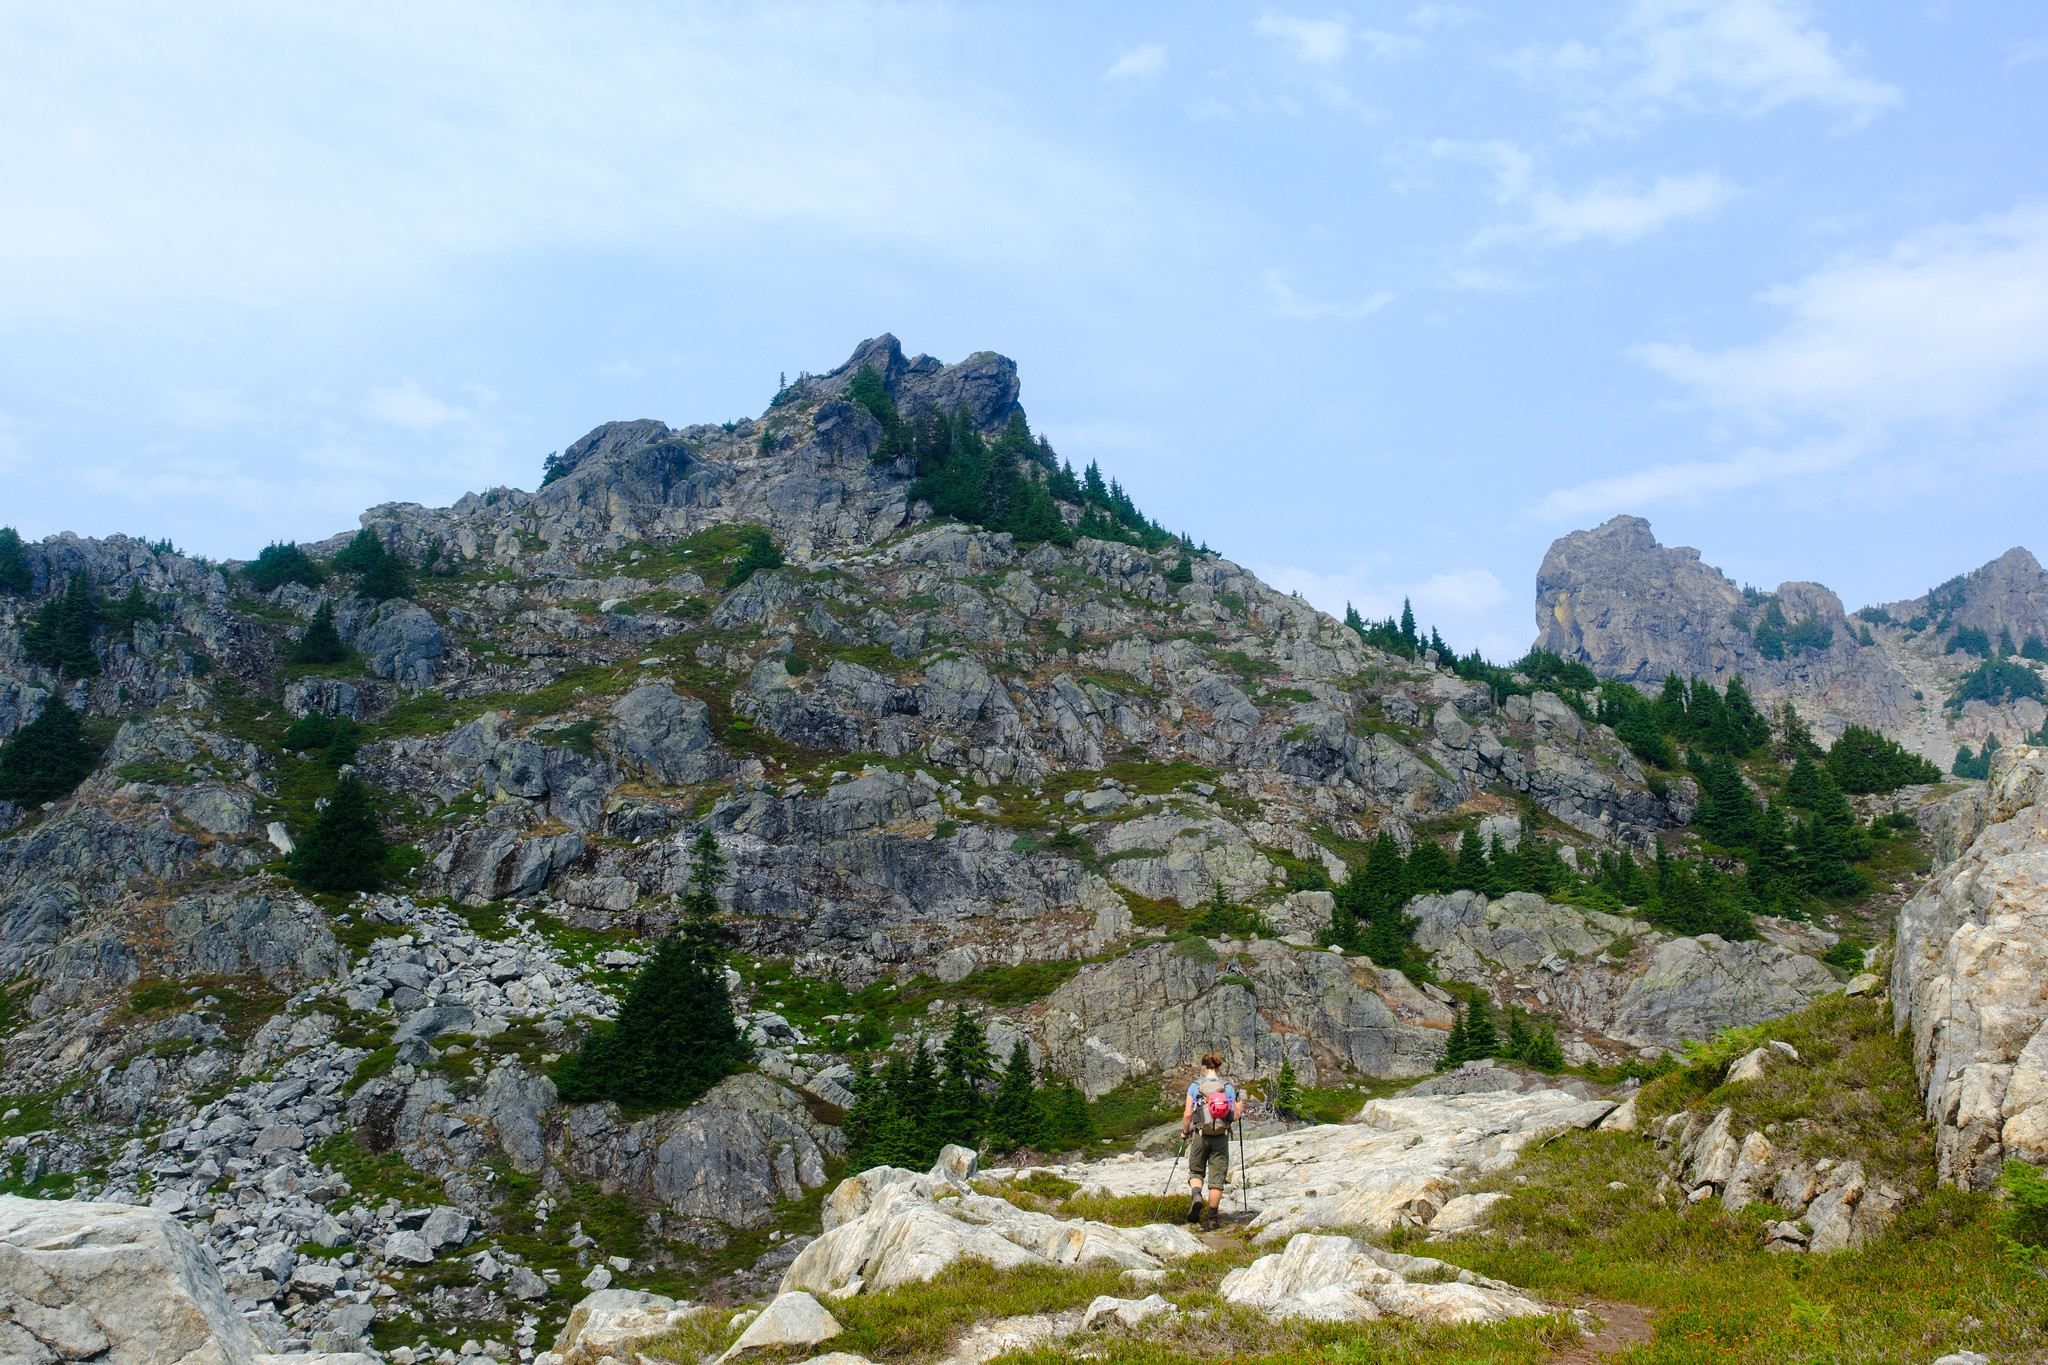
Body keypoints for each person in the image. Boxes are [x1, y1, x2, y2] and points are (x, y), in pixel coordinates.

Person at [1179, 1052, 1241, 1231]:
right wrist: (1239, 1109)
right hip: (1221, 1138)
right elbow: (1234, 1117)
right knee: (1216, 1181)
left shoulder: (1195, 1086)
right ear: (1219, 1067)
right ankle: (1212, 1218)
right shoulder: (1227, 1087)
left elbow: (1188, 1114)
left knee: (1196, 1172)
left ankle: (1197, 1195)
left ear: (1204, 1067)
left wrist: (1185, 1132)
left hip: (1200, 1135)